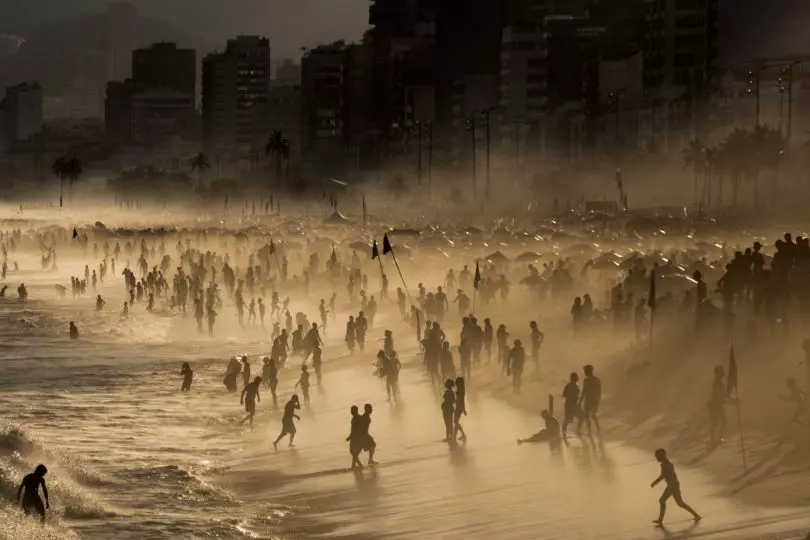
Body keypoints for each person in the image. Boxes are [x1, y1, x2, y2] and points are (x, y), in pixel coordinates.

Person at [650, 448, 701, 524]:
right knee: (679, 503)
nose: (656, 458)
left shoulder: (667, 464)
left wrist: (655, 482)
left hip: (672, 485)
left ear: (661, 456)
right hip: (673, 485)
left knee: (664, 500)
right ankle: (696, 515)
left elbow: (664, 475)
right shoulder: (664, 463)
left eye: (657, 456)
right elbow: (665, 475)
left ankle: (660, 520)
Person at [578, 365, 601, 435]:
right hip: (591, 400)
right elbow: (598, 392)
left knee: (590, 415)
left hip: (590, 400)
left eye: (585, 371)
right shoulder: (596, 380)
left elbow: (584, 392)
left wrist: (580, 401)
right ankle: (594, 429)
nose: (584, 372)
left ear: (588, 371)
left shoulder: (587, 381)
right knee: (590, 415)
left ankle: (594, 429)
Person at [708, 366, 727, 444]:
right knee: (716, 422)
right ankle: (715, 440)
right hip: (715, 406)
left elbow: (722, 397)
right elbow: (719, 397)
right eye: (722, 371)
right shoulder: (717, 384)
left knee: (718, 422)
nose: (723, 373)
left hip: (716, 405)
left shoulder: (718, 383)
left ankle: (716, 439)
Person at [562, 372, 582, 438]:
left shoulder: (576, 386)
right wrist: (571, 396)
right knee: (568, 420)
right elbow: (564, 394)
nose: (577, 379)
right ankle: (564, 433)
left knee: (582, 417)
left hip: (574, 405)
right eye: (576, 378)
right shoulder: (569, 386)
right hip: (569, 404)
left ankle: (578, 431)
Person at [454, 377, 467, 441]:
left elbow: (462, 400)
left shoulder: (461, 390)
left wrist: (463, 409)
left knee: (455, 421)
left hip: (459, 407)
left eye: (457, 383)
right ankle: (458, 435)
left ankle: (463, 435)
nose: (456, 384)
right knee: (456, 422)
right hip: (458, 407)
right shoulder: (460, 389)